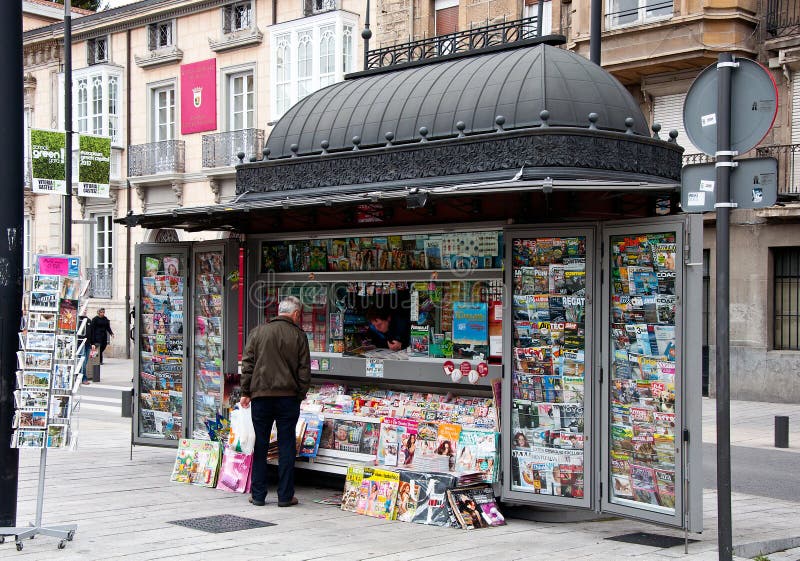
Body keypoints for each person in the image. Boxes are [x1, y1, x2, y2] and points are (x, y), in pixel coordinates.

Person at [240, 296, 311, 508]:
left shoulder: (258, 332)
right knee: (286, 445)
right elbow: (304, 371)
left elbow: (248, 364)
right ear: (296, 313)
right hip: (288, 398)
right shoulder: (298, 335)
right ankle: (285, 495)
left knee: (260, 444)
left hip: (261, 397)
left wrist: (246, 391)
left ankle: (259, 494)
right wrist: (299, 394)